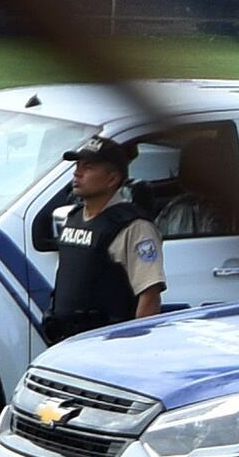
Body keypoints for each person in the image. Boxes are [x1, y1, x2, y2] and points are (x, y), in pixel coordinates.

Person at [32, 132, 165, 344]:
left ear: (112, 179)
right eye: (77, 166)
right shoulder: (73, 218)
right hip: (67, 341)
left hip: (108, 344)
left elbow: (149, 296)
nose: (77, 174)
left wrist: (139, 347)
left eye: (88, 167)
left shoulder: (134, 226)